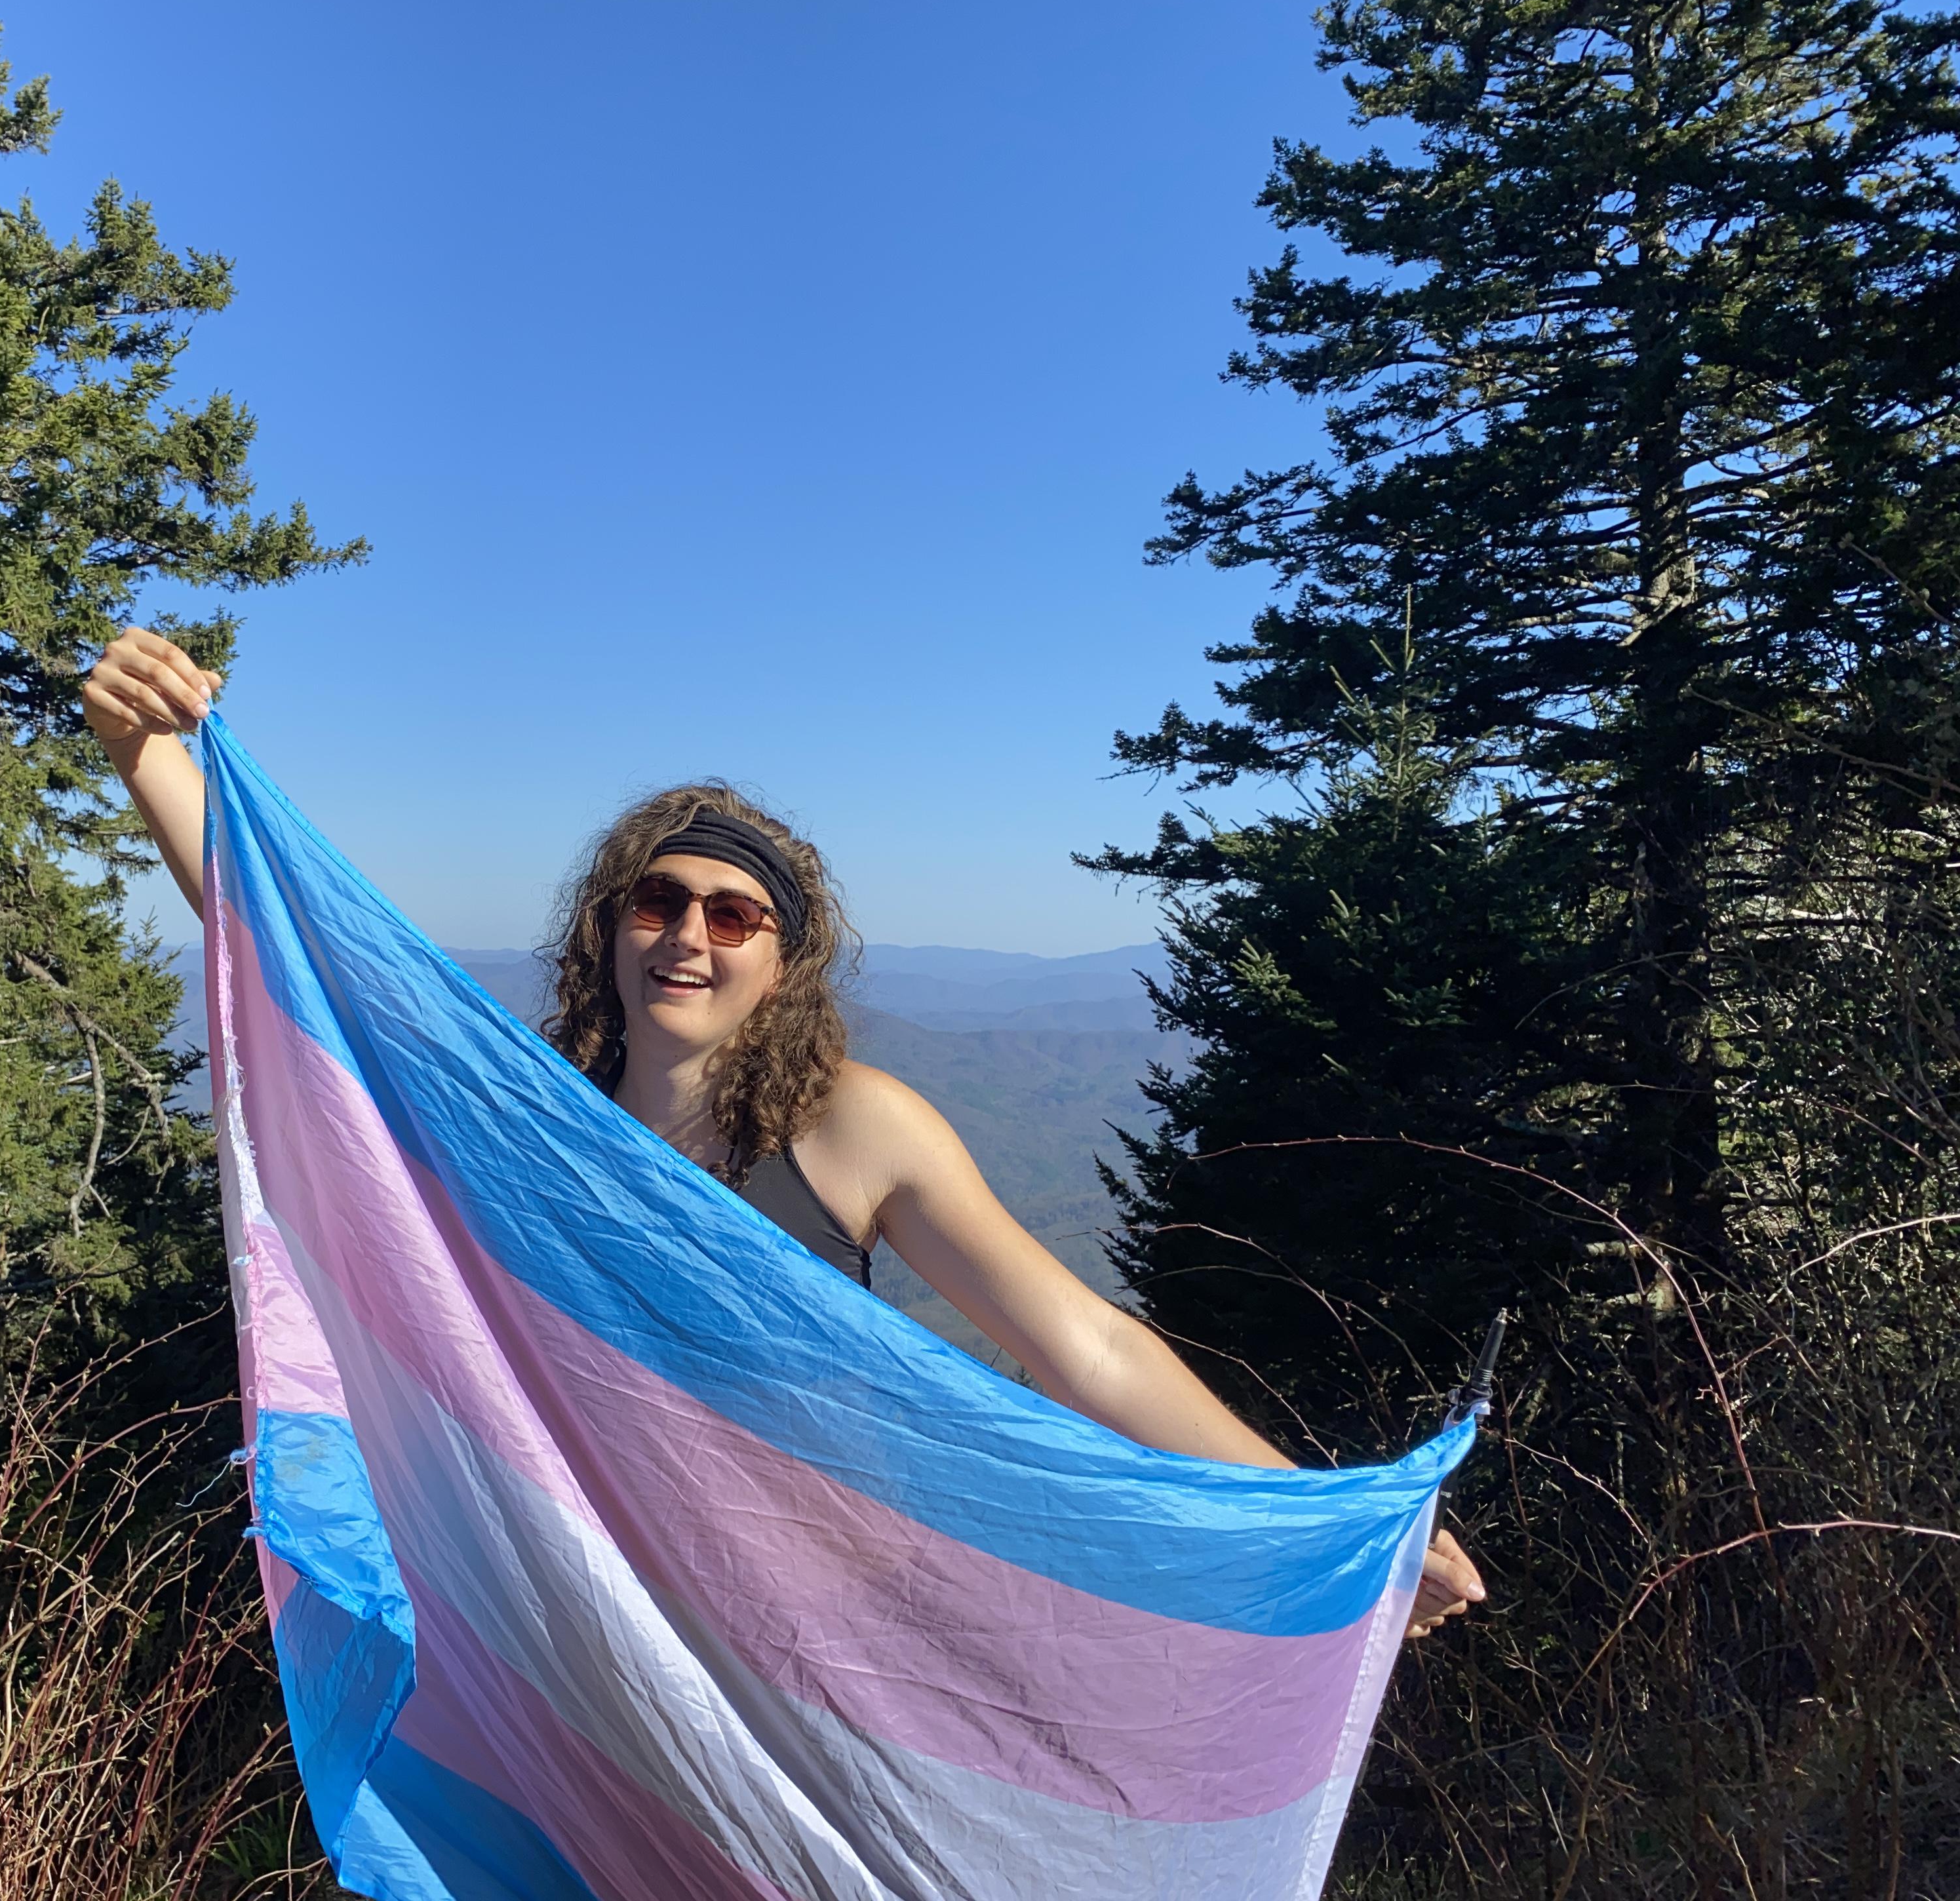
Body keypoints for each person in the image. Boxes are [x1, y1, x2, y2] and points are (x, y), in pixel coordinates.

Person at [83, 625, 1487, 1640]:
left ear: (781, 960)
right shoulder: (533, 1113)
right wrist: (150, 754)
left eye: (732, 915)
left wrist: (1333, 1522)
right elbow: (305, 962)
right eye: (655, 902)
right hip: (588, 1618)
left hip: (824, 1628)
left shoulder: (856, 1130)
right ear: (606, 931)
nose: (688, 934)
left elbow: (1085, 1346)